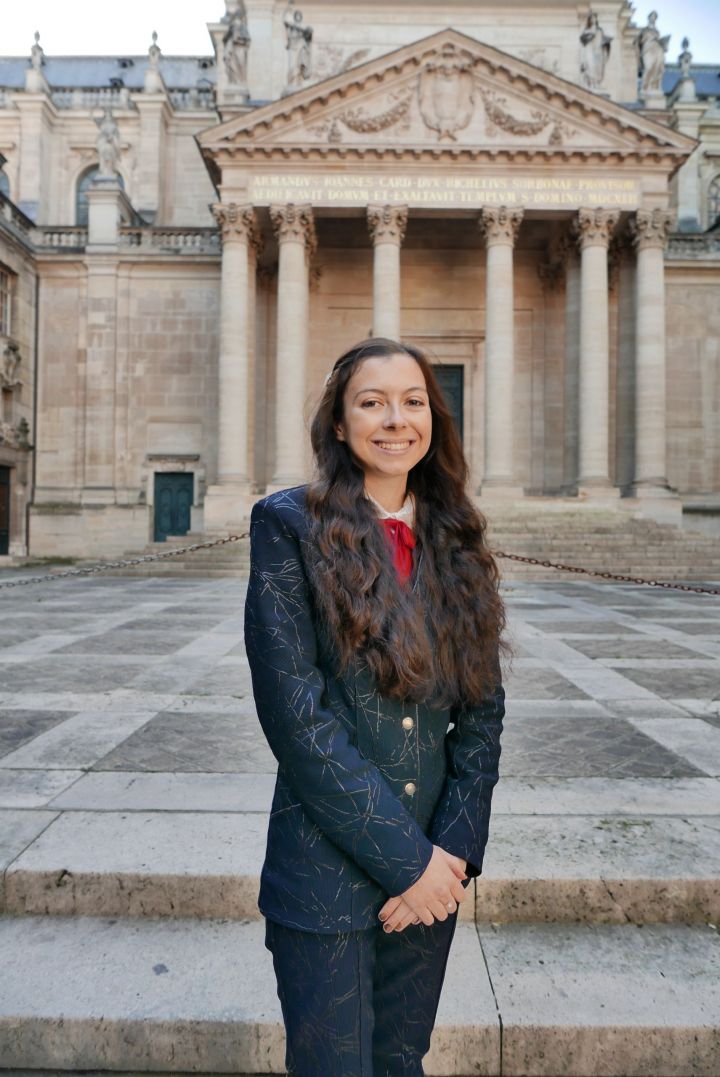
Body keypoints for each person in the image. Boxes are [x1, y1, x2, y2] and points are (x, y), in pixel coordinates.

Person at [244, 337, 506, 1076]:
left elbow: (483, 714)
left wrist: (450, 854)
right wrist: (409, 863)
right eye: (372, 402)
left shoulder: (457, 533)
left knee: (400, 1059)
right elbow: (298, 718)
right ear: (338, 422)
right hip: (326, 874)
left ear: (434, 418)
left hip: (430, 882)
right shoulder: (287, 525)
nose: (396, 420)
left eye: (413, 401)